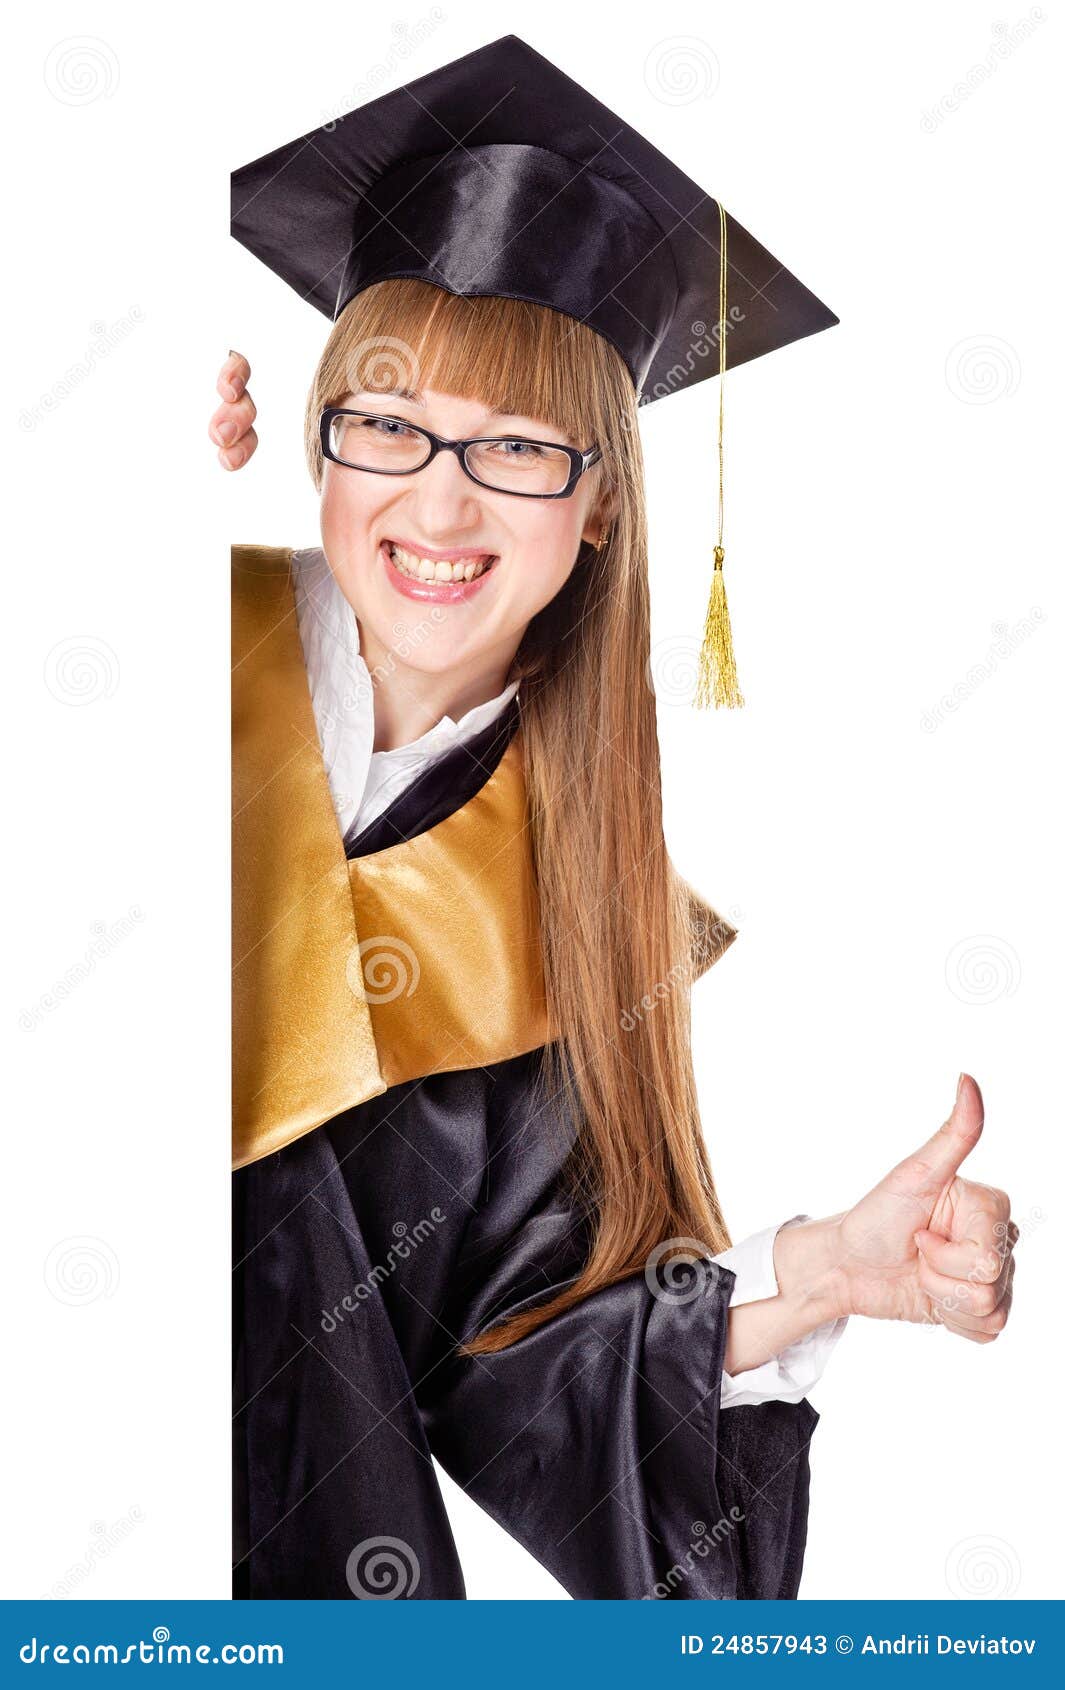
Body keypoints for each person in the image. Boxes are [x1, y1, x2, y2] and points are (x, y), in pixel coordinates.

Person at [223, 37, 1017, 1601]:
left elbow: (521, 1354)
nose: (438, 505)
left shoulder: (566, 911)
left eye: (517, 446)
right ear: (317, 436)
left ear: (596, 506)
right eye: (387, 420)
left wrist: (809, 1279)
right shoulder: (143, 662)